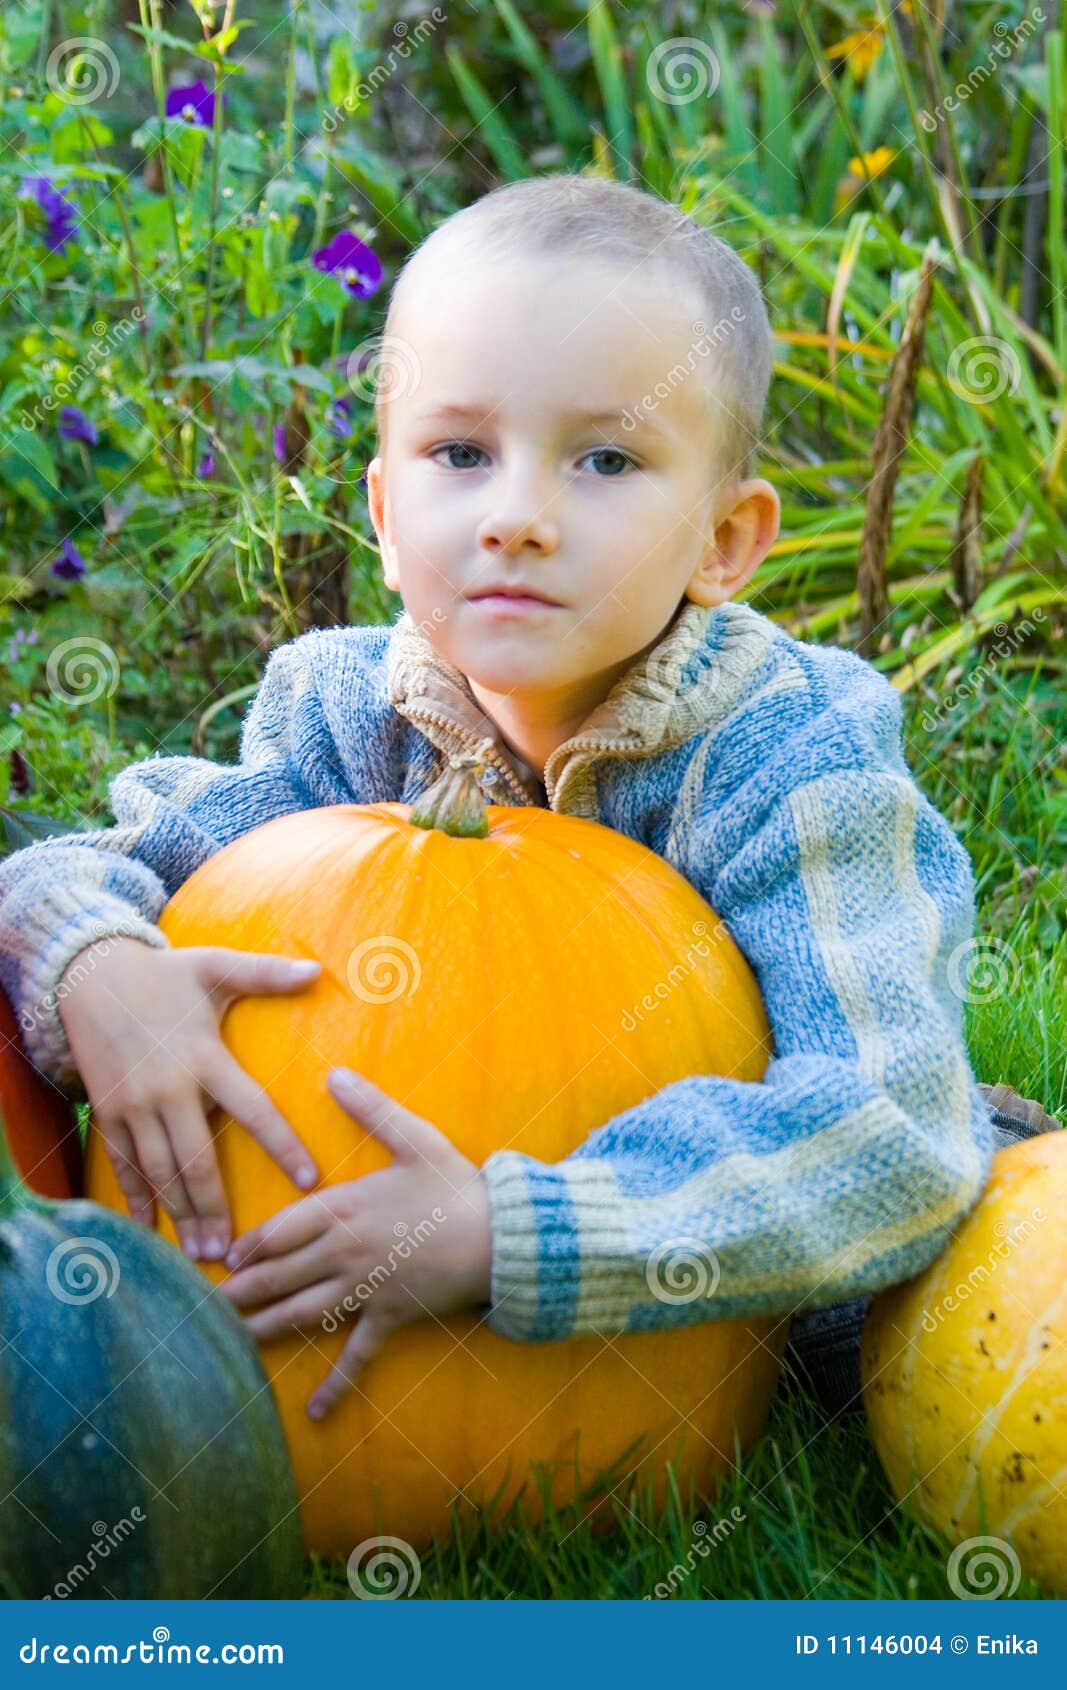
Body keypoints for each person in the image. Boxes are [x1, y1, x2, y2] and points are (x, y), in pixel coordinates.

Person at [0, 174, 1056, 1425]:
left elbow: (883, 1135)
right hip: (361, 1357)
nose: (516, 518)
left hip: (734, 1316)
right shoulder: (347, 717)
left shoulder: (786, 759)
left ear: (724, 541)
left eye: (603, 459)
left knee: (984, 1308)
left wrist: (510, 1232)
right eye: (460, 453)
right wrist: (97, 968)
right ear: (385, 517)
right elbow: (72, 869)